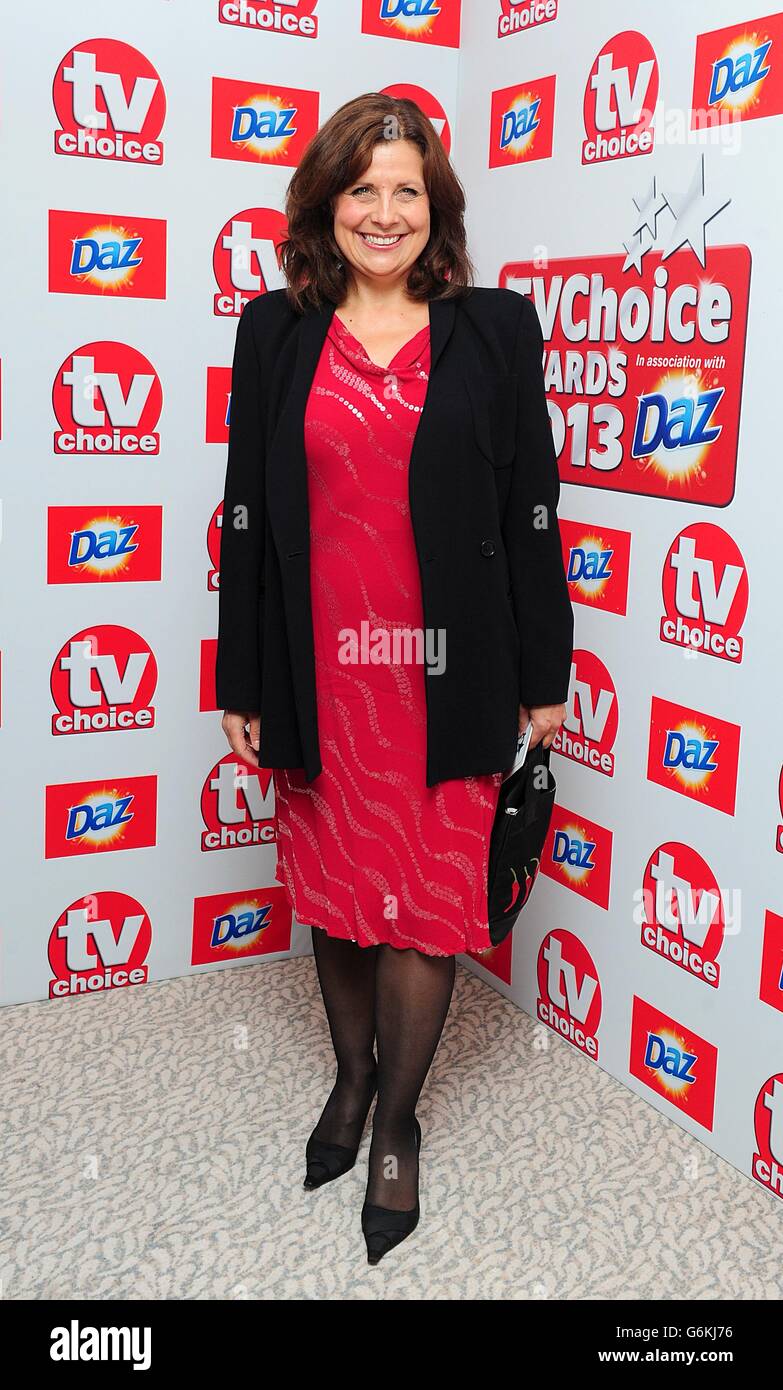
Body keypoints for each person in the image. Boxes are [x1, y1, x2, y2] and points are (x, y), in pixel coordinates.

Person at [216, 92, 573, 1266]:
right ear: (327, 202)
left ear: (438, 205)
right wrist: (245, 676)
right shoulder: (275, 331)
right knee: (332, 883)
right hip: (325, 668)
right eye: (360, 188)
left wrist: (543, 672)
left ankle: (400, 1121)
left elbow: (532, 519)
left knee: (425, 900)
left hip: (446, 670)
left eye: (406, 188)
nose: (383, 210)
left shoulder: (498, 331)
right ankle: (351, 1076)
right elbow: (250, 520)